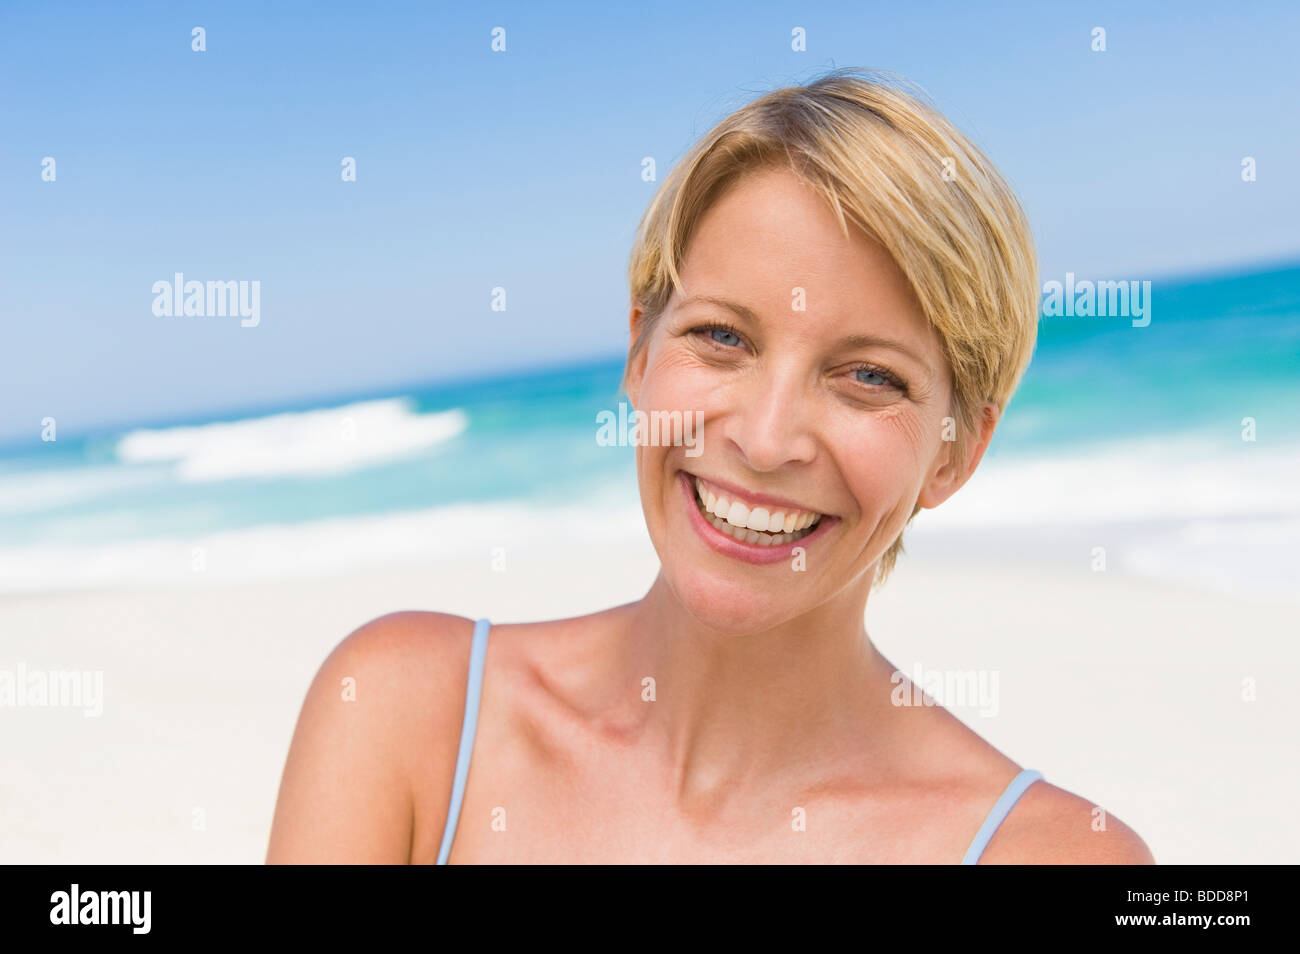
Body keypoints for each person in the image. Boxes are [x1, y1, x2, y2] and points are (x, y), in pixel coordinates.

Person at [267, 68, 1155, 864]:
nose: (767, 440)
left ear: (956, 453)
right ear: (638, 352)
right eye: (721, 337)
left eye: (868, 377)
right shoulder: (404, 713)